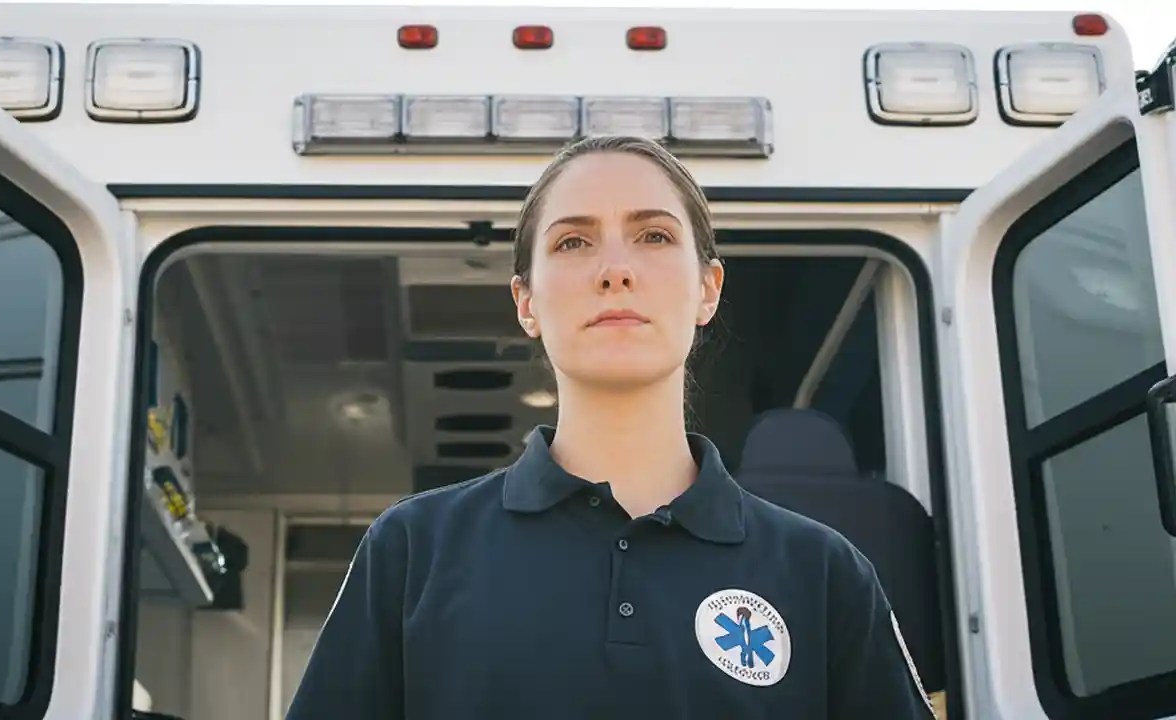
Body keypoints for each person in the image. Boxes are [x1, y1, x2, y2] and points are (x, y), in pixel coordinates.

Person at [285, 135, 937, 719]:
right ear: (527, 302)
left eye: (653, 236)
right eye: (573, 241)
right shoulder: (411, 551)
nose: (614, 270)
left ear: (707, 289)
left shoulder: (824, 572)